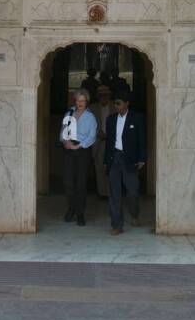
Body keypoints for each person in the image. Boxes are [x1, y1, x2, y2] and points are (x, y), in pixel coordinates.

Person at [104, 82, 146, 236]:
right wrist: (105, 161)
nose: (116, 106)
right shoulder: (111, 120)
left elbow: (142, 140)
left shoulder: (137, 118)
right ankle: (117, 224)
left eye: (119, 104)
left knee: (132, 191)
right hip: (114, 158)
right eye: (115, 103)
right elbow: (109, 142)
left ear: (127, 104)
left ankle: (134, 214)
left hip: (130, 159)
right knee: (114, 194)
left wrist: (142, 158)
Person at [59, 89, 98, 226]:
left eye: (82, 101)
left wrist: (79, 146)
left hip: (83, 150)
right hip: (69, 149)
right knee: (67, 182)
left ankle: (79, 213)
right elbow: (63, 131)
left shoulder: (90, 117)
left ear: (86, 101)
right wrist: (65, 142)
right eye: (77, 100)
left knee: (81, 184)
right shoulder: (69, 113)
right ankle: (72, 207)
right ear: (75, 101)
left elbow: (92, 136)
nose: (80, 103)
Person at [91, 83, 113, 198]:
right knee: (99, 168)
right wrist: (97, 132)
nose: (103, 97)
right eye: (101, 95)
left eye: (105, 95)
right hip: (98, 142)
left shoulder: (115, 107)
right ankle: (102, 193)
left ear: (109, 95)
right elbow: (88, 125)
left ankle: (111, 192)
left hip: (111, 142)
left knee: (111, 168)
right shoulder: (92, 108)